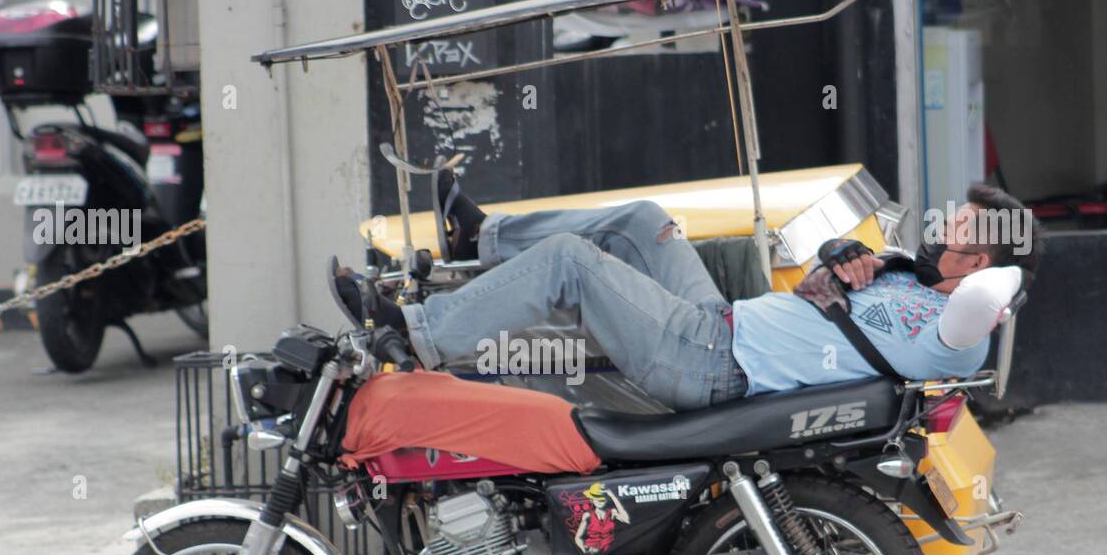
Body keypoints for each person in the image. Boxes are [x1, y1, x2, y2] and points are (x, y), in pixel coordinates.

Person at [336, 176, 1038, 412]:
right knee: (644, 221)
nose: (940, 225)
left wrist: (1012, 275)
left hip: (711, 362)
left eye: (959, 227)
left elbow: (990, 294)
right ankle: (481, 239)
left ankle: (416, 333)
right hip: (720, 323)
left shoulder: (959, 325)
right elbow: (832, 288)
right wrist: (838, 255)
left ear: (975, 260)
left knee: (572, 266)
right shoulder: (907, 273)